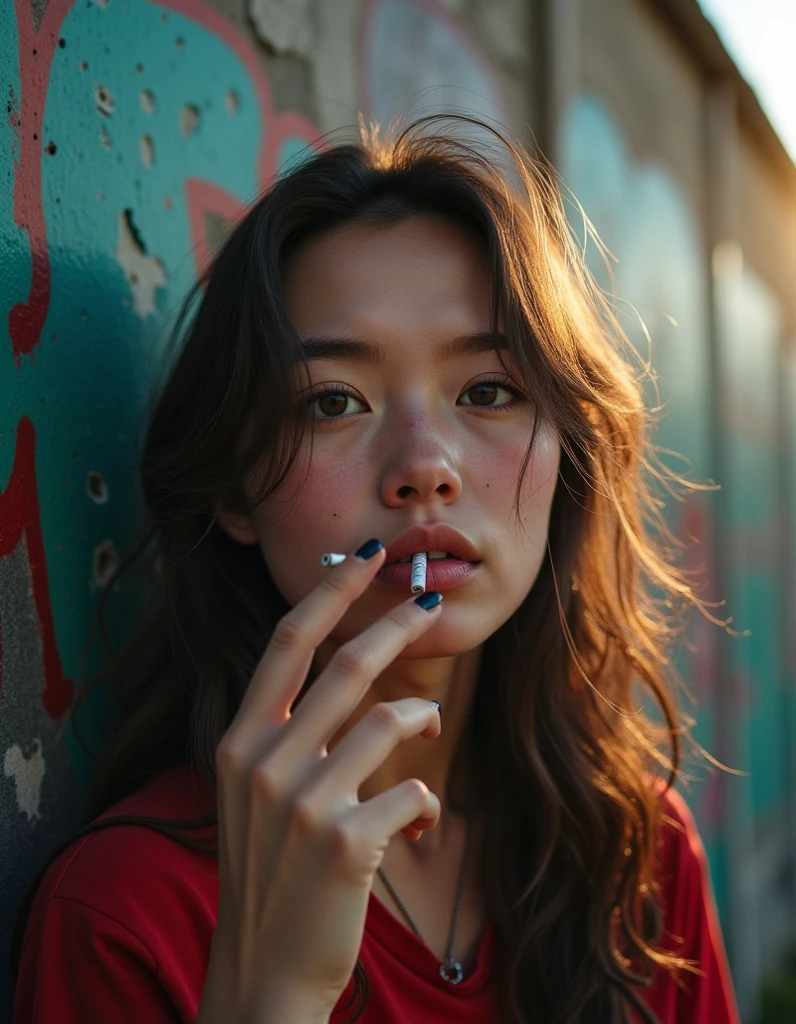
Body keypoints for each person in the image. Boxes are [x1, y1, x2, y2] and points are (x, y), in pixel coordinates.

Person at [11, 113, 741, 1024]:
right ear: (235, 490)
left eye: (489, 390)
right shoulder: (127, 913)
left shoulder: (637, 850)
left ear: (568, 456)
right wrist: (269, 993)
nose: (423, 464)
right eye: (333, 401)